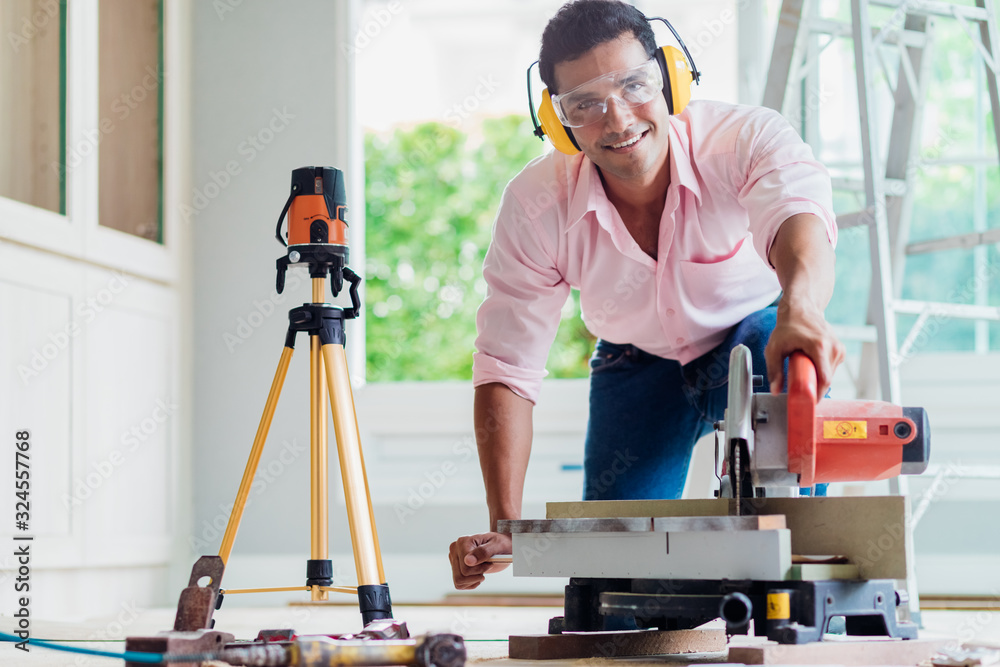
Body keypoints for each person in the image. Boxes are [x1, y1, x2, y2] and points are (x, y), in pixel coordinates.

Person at [449, 0, 846, 590]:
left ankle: (790, 566)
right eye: (584, 104)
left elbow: (797, 212)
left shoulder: (742, 137)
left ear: (670, 77)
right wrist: (507, 524)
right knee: (614, 586)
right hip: (635, 364)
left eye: (634, 85)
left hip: (752, 336)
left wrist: (802, 308)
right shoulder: (536, 205)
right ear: (558, 122)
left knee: (778, 549)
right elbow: (508, 365)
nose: (616, 119)